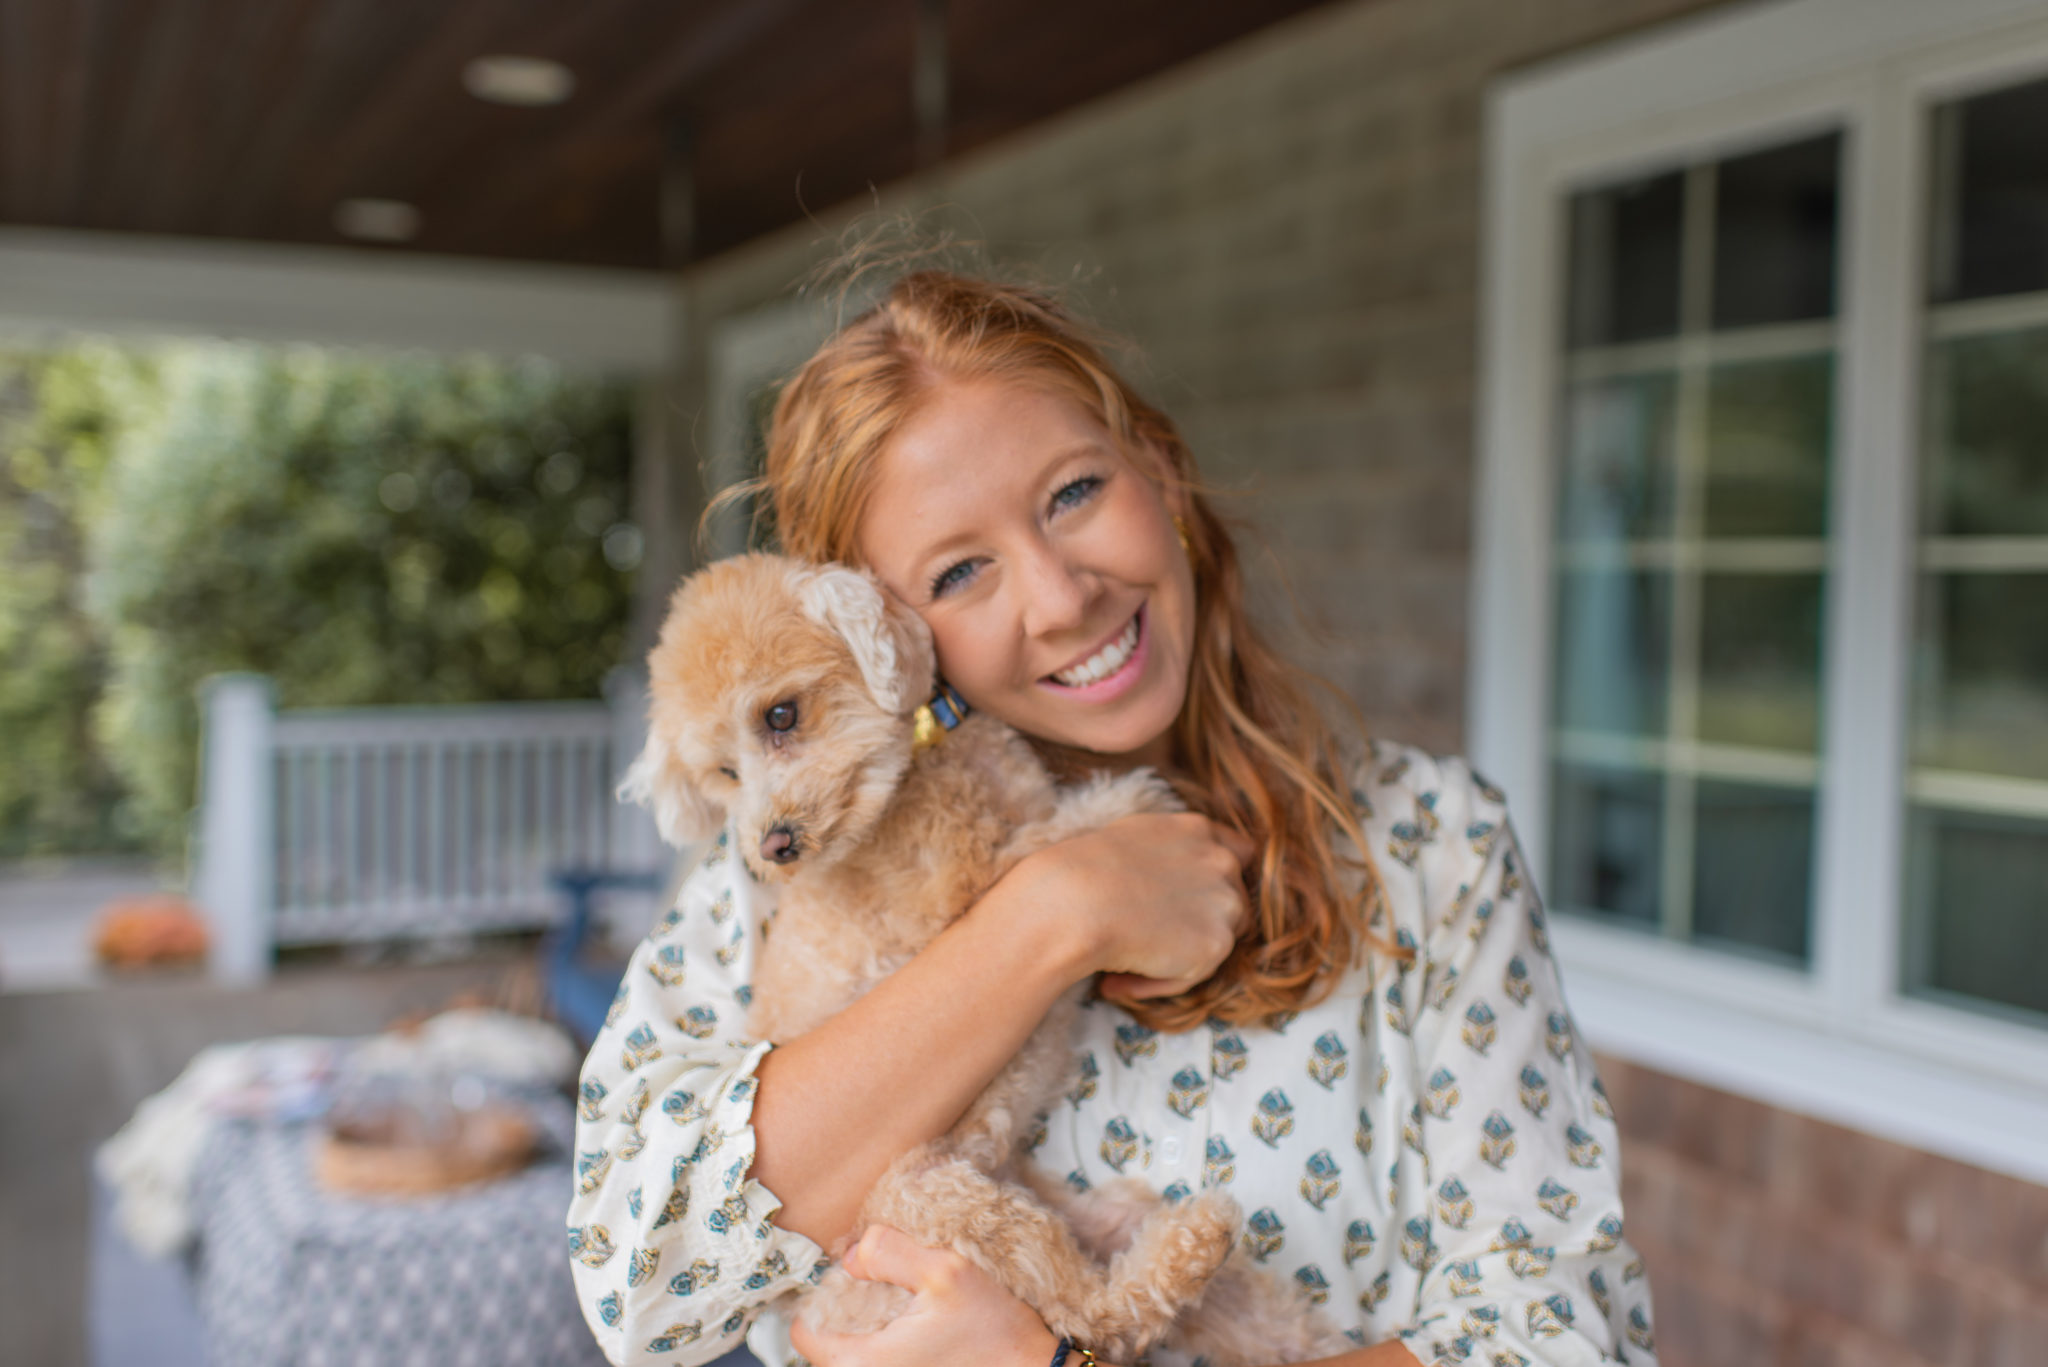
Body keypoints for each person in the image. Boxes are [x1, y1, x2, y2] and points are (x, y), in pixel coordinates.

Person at [567, 270, 1658, 1367]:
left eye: (1074, 492)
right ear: (886, 634)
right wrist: (1048, 915)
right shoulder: (787, 876)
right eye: (961, 571)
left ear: (1160, 471)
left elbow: (1562, 1335)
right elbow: (638, 1283)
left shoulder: (1427, 841)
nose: (1058, 596)